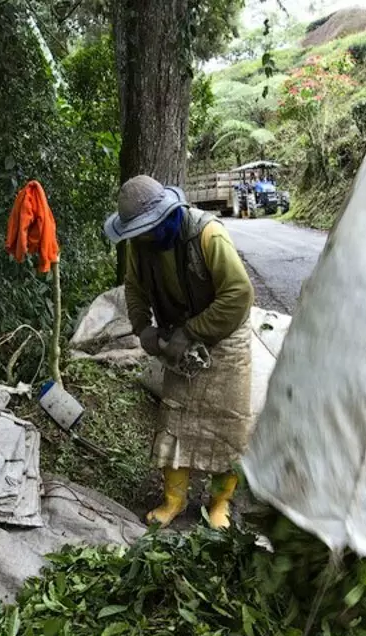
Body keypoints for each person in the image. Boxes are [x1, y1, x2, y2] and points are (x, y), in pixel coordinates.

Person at [104, 175, 255, 530]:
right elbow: (135, 288)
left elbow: (239, 294)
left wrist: (191, 331)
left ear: (164, 217)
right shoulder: (141, 247)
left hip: (226, 332)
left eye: (146, 229)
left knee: (228, 424)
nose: (141, 237)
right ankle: (174, 499)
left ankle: (219, 504)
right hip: (179, 334)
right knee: (175, 419)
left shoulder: (208, 235)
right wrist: (143, 327)